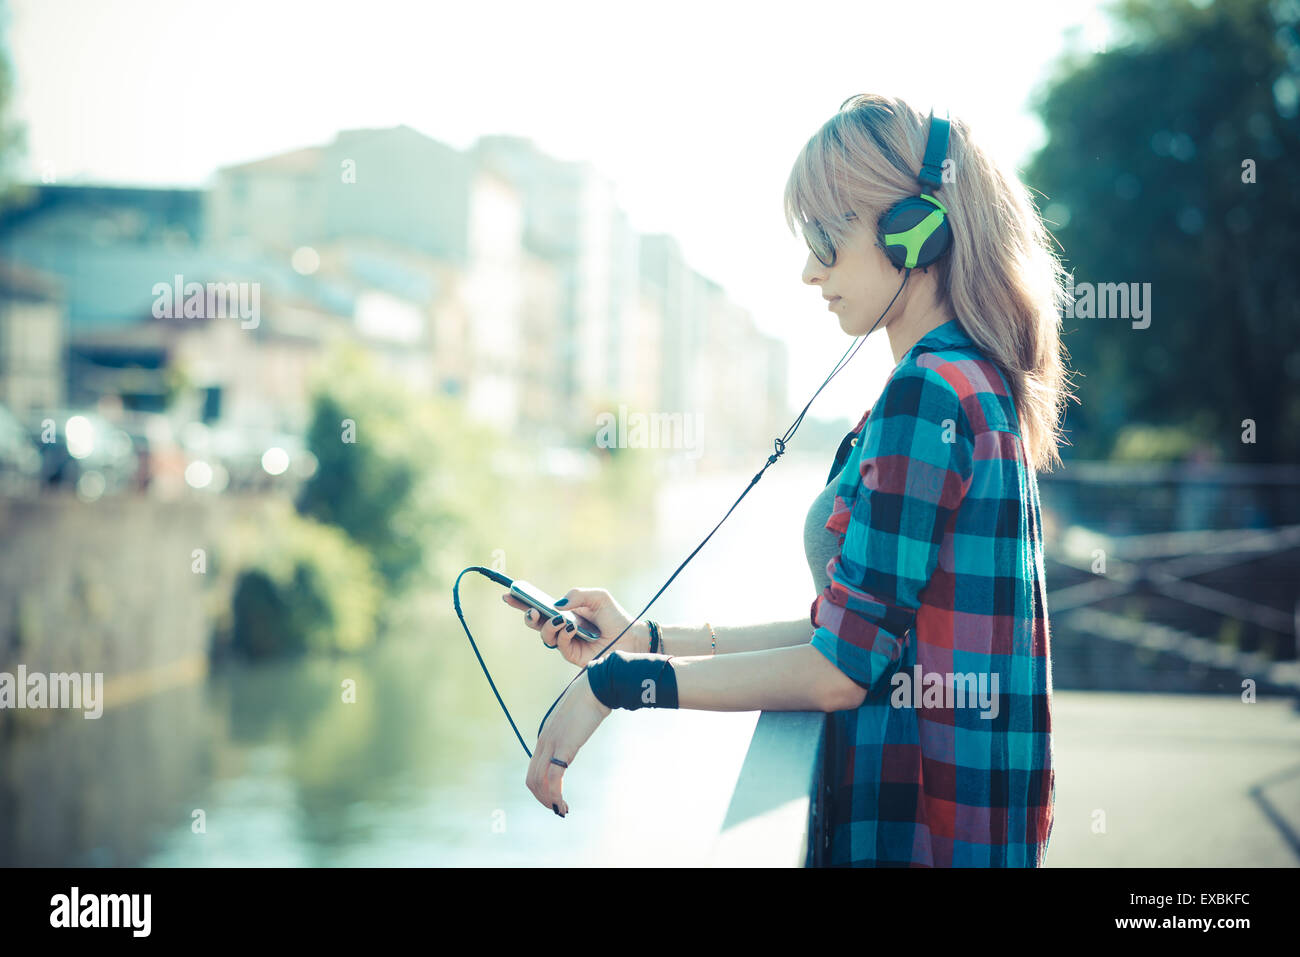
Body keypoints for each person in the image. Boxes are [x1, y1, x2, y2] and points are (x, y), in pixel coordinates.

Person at [502, 93, 1072, 867]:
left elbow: (839, 671)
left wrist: (618, 684)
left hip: (920, 840)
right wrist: (647, 638)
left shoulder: (929, 395)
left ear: (915, 232)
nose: (809, 271)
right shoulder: (965, 382)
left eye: (826, 240)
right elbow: (854, 631)